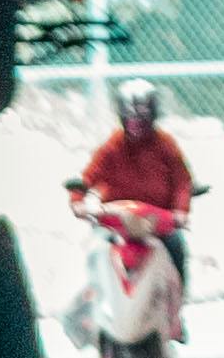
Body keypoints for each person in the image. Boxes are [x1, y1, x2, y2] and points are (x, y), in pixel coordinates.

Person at [76, 82, 195, 287]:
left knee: (176, 246)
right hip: (117, 221)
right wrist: (78, 201)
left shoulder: (166, 145)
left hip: (156, 222)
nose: (135, 122)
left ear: (153, 114)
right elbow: (88, 177)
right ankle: (96, 299)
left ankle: (175, 305)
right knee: (96, 249)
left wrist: (181, 211)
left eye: (141, 116)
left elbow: (182, 182)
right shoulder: (113, 145)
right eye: (130, 116)